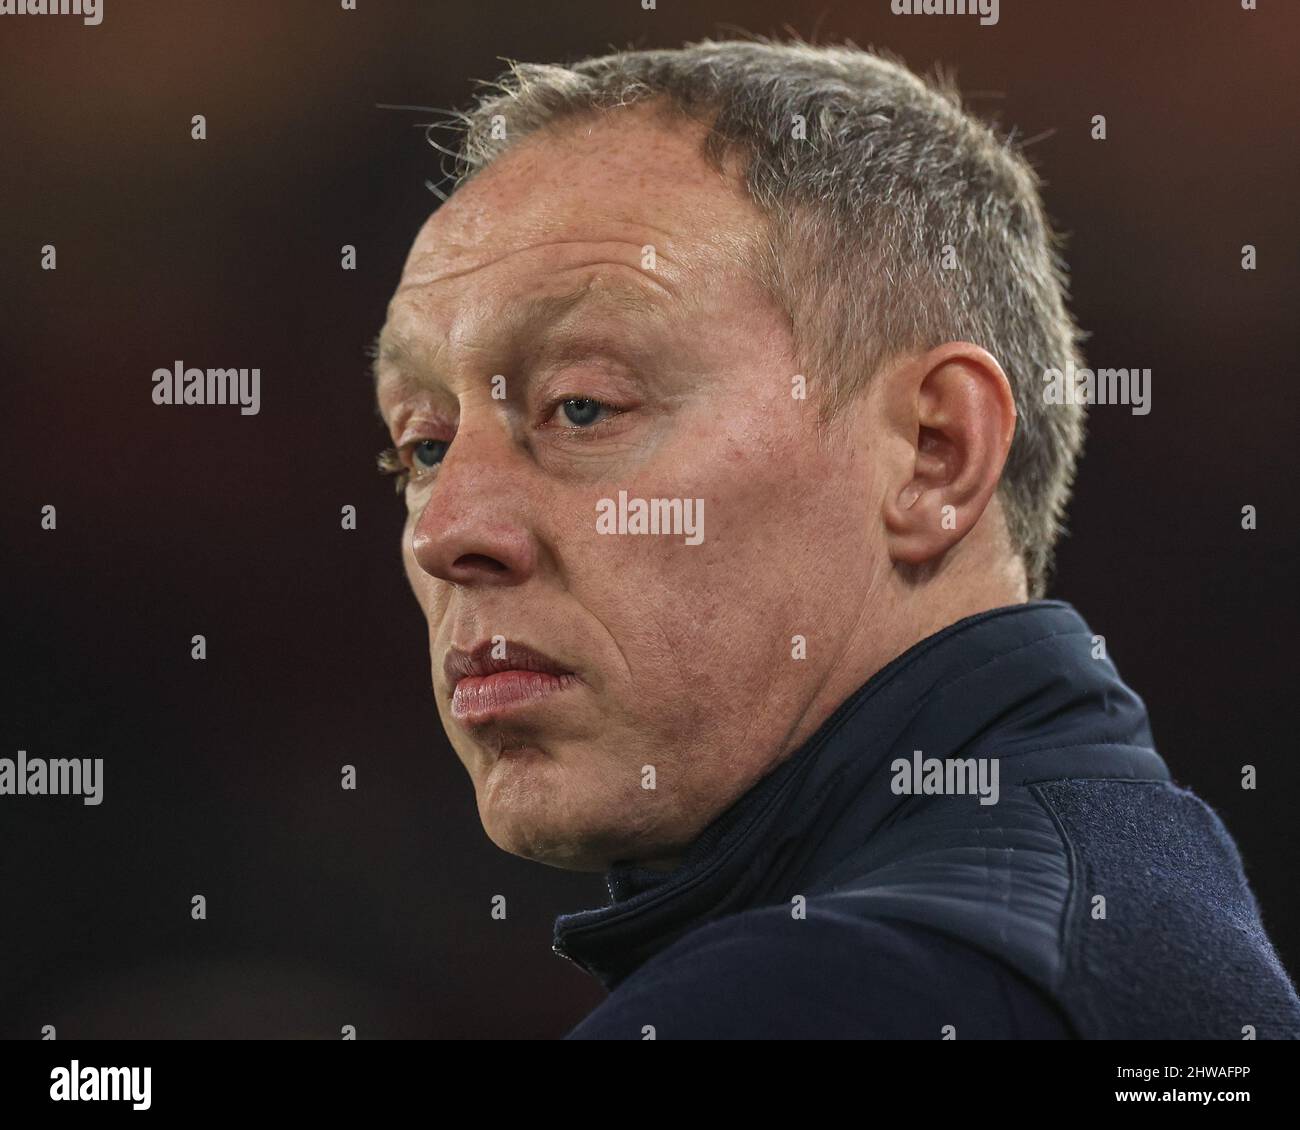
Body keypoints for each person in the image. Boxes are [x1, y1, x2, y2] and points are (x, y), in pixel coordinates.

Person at [371, 39, 1300, 1038]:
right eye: (423, 444)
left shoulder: (835, 993)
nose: (449, 528)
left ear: (933, 454)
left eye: (584, 406)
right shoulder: (1106, 902)